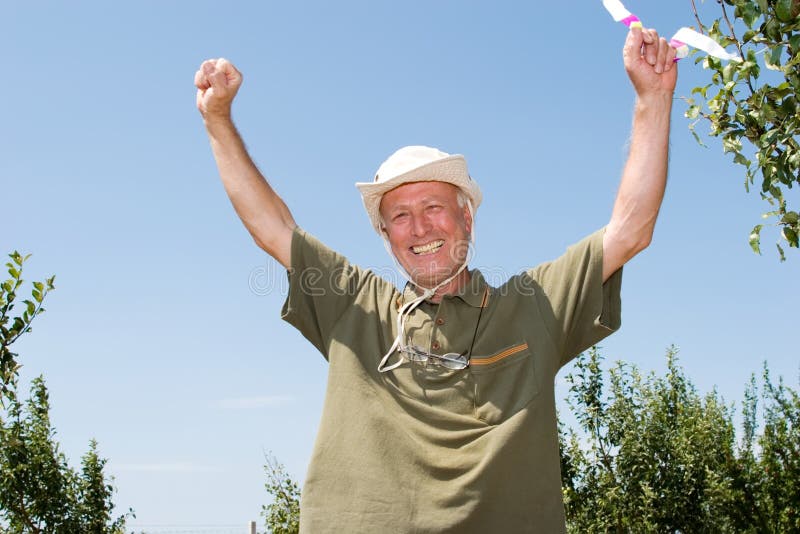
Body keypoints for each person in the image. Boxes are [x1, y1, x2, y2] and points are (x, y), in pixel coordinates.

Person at [195, 25, 677, 534]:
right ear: (386, 237)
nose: (419, 227)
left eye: (433, 207)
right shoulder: (353, 303)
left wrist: (654, 98)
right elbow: (271, 228)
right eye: (399, 216)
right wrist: (218, 119)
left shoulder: (532, 306)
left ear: (467, 217)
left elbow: (630, 230)